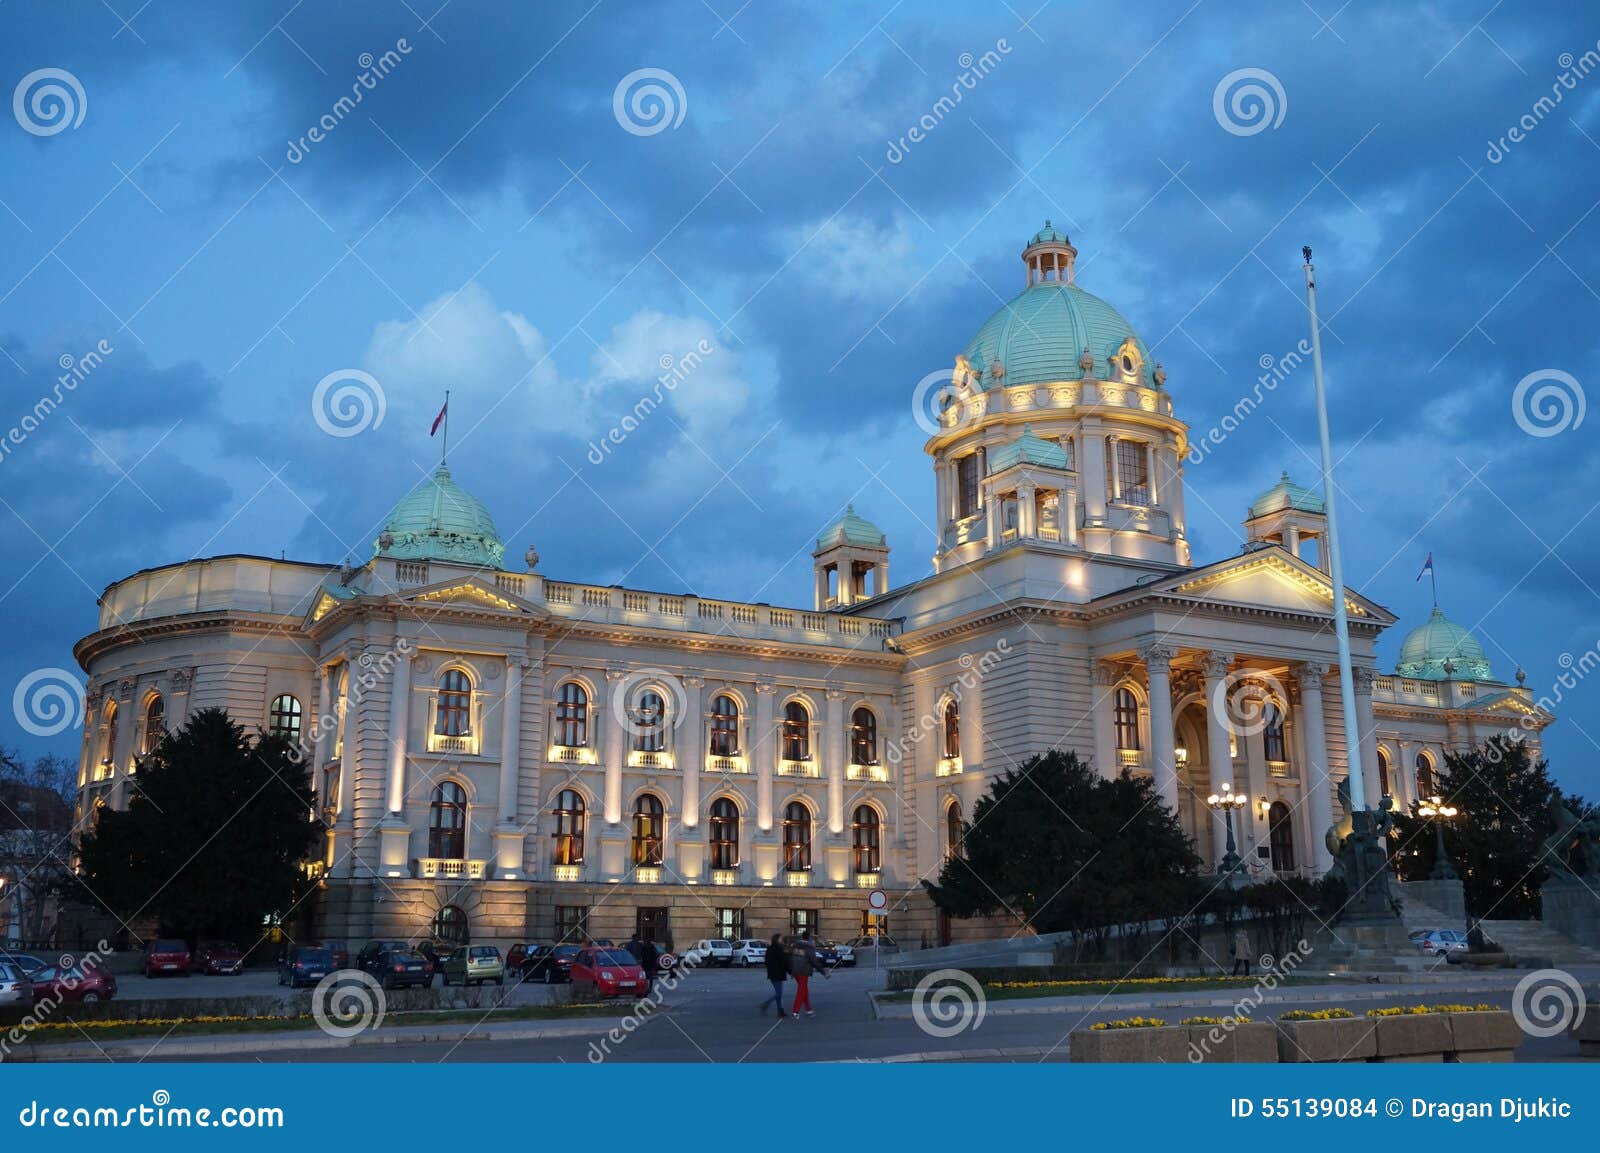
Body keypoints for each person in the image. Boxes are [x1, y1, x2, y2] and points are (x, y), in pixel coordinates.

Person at [789, 930, 827, 1018]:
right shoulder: (809, 948)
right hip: (803, 971)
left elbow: (792, 959)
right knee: (801, 991)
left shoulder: (795, 946)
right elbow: (814, 961)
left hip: (796, 971)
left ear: (802, 937)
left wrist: (792, 971)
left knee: (804, 990)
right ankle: (795, 1011)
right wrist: (823, 972)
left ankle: (808, 1009)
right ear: (809, 938)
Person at [758, 933, 787, 1017]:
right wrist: (789, 971)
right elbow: (783, 962)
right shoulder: (779, 949)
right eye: (780, 939)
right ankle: (765, 1004)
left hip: (772, 973)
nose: (782, 941)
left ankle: (780, 1011)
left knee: (778, 993)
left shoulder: (769, 949)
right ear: (777, 940)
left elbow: (766, 962)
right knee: (779, 994)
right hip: (778, 973)